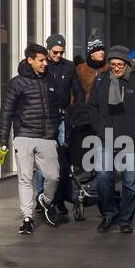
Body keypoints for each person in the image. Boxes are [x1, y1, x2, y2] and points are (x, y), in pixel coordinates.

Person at [86, 45, 135, 233]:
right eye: (112, 64)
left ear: (127, 64)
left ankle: (126, 220)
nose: (116, 68)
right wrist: (99, 128)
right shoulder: (101, 79)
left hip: (129, 138)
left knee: (130, 181)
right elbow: (91, 107)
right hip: (104, 136)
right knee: (102, 177)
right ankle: (109, 213)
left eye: (119, 65)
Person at [0, 43, 63, 233]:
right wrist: (2, 142)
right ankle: (27, 218)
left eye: (46, 60)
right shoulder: (16, 83)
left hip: (47, 137)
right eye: (41, 60)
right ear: (30, 60)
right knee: (25, 178)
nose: (45, 63)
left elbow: (57, 107)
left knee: (54, 176)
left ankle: (46, 200)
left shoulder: (50, 81)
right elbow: (6, 113)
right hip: (24, 135)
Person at [45, 34, 78, 214]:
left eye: (61, 52)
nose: (58, 55)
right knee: (44, 161)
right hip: (47, 118)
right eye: (55, 52)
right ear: (48, 49)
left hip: (64, 117)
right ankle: (41, 199)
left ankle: (60, 199)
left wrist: (77, 109)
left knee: (62, 159)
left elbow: (77, 89)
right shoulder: (43, 65)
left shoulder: (69, 67)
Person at [74, 38, 107, 102]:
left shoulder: (108, 68)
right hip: (86, 107)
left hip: (104, 107)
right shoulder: (81, 68)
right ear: (91, 53)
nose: (102, 52)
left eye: (103, 50)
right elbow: (74, 91)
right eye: (98, 50)